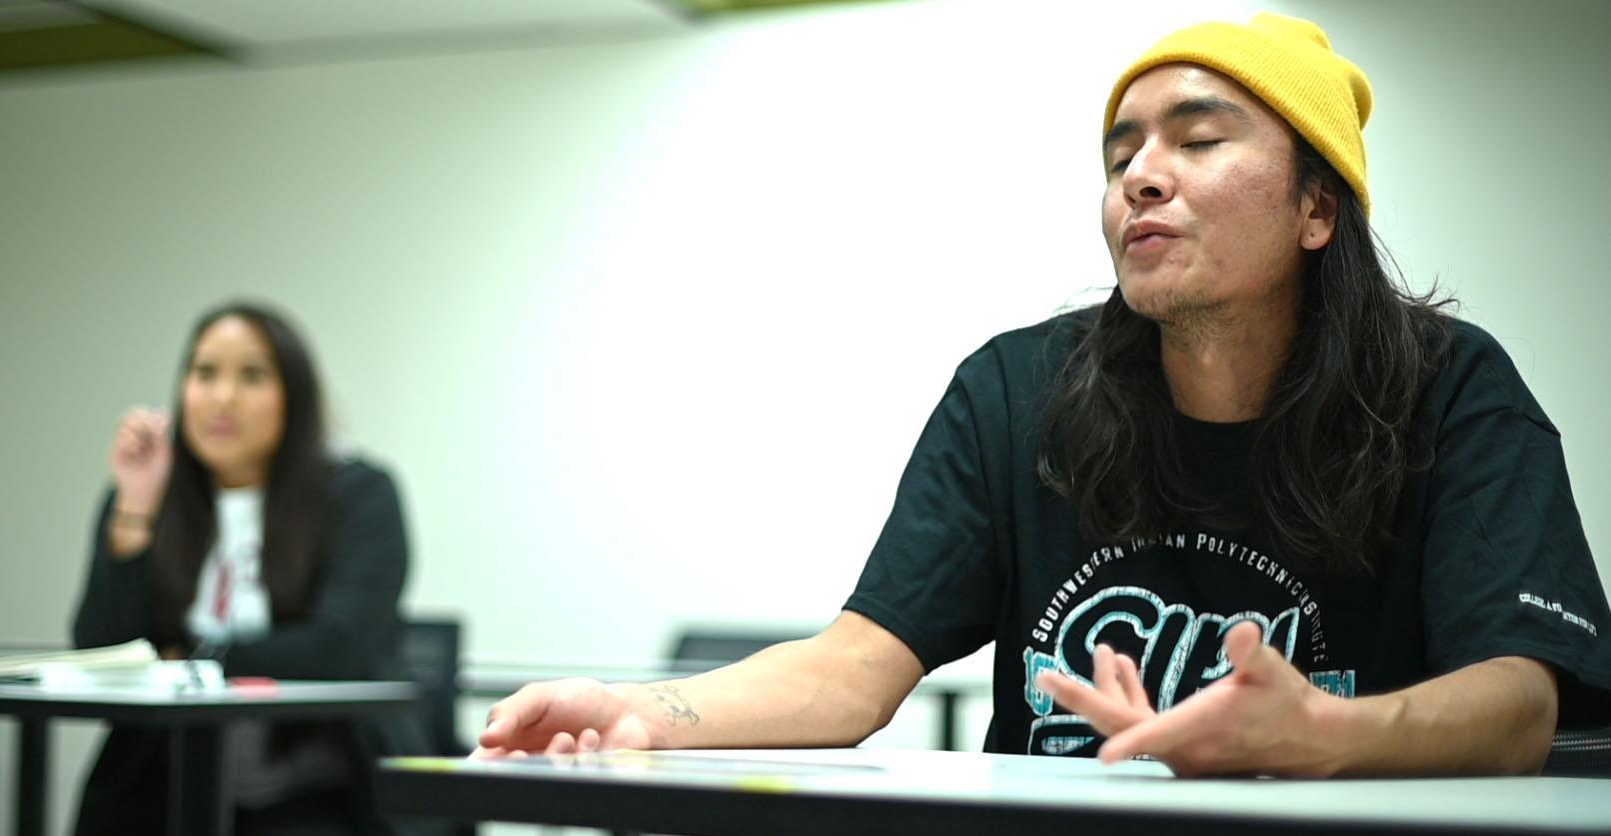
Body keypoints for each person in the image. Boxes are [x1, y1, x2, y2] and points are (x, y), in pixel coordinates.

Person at [474, 12, 1611, 786]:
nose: (1141, 176)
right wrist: (641, 713)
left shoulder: (1451, 390)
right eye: (1121, 156)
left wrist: (1322, 734)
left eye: (1198, 139)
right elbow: (856, 667)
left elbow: (1520, 703)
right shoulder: (1018, 392)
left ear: (1318, 207)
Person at [67, 302, 442, 836]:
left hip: (317, 786)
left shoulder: (359, 494)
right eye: (204, 373)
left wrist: (191, 660)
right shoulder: (151, 501)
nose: (223, 397)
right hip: (163, 782)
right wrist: (135, 508)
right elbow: (101, 651)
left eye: (252, 375)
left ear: (295, 395)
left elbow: (338, 647)